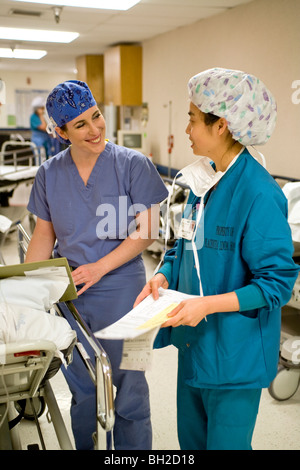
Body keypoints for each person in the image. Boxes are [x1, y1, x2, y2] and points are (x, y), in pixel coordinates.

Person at [134, 68, 300, 450]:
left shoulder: (259, 194)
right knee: (190, 444)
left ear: (221, 125)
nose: (188, 130)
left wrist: (208, 305)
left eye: (192, 119)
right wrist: (164, 276)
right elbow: (183, 247)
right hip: (195, 346)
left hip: (234, 355)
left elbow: (276, 284)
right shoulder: (202, 183)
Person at [25, 80, 168, 450]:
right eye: (80, 125)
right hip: (72, 295)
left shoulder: (133, 165)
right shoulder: (49, 174)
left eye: (97, 116)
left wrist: (101, 267)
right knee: (84, 389)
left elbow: (148, 229)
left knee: (131, 390)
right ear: (60, 132)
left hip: (125, 292)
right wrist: (25, 294)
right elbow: (44, 235)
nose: (95, 130)